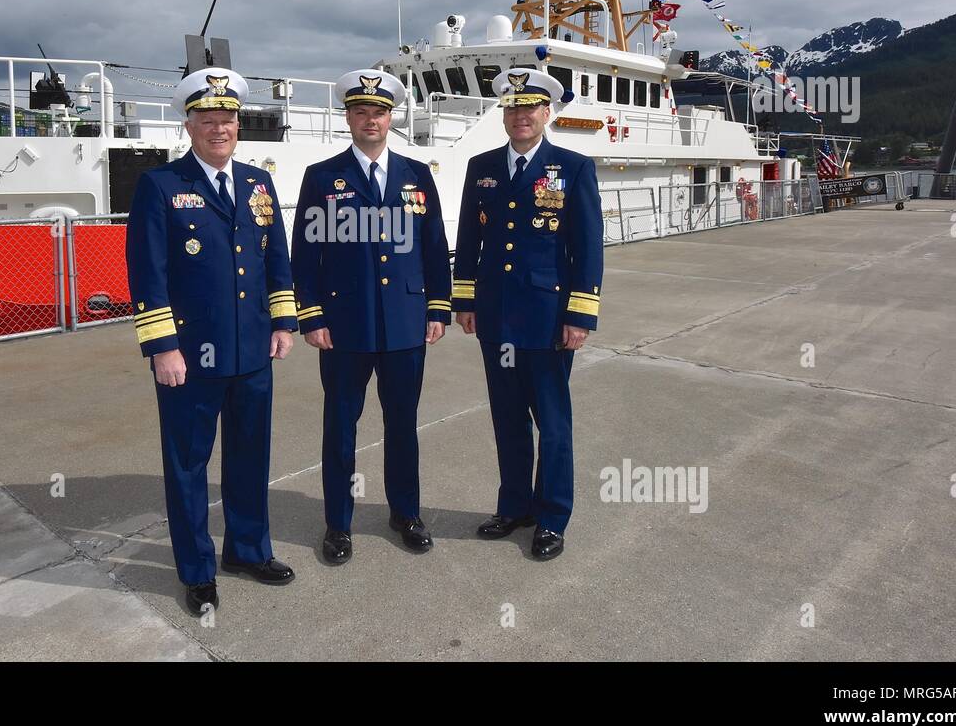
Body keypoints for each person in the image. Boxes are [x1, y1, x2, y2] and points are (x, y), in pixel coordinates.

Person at [125, 67, 297, 616]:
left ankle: (247, 550)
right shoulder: (161, 185)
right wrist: (162, 347)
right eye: (207, 120)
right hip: (189, 358)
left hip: (252, 353)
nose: (219, 129)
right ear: (189, 126)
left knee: (250, 458)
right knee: (188, 466)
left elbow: (276, 259)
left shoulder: (258, 183)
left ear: (238, 126)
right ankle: (197, 571)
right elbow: (147, 273)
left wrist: (283, 322)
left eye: (227, 120)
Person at [291, 69, 452, 563]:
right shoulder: (322, 177)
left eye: (379, 112)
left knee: (403, 423)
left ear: (390, 118)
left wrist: (437, 307)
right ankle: (338, 523)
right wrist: (312, 316)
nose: (370, 120)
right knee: (341, 427)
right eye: (360, 112)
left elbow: (433, 246)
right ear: (348, 118)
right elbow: (306, 254)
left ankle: (406, 513)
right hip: (344, 326)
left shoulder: (417, 174)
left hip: (405, 321)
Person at [452, 68, 604, 561]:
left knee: (553, 424)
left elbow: (588, 247)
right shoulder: (482, 167)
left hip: (547, 318)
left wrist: (580, 314)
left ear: (546, 112)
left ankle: (552, 517)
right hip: (496, 316)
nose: (520, 115)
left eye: (530, 107)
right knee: (508, 418)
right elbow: (469, 239)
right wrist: (465, 301)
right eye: (512, 107)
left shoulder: (573, 167)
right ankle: (514, 506)